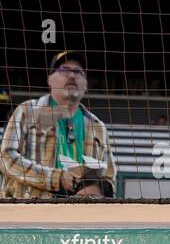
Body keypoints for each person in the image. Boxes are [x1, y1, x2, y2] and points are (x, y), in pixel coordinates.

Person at [2, 51, 117, 199]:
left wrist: (96, 190)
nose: (71, 75)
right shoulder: (27, 112)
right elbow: (5, 159)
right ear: (50, 80)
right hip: (29, 212)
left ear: (86, 84)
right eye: (64, 70)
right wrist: (57, 178)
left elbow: (109, 178)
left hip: (79, 216)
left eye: (78, 72)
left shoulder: (97, 127)